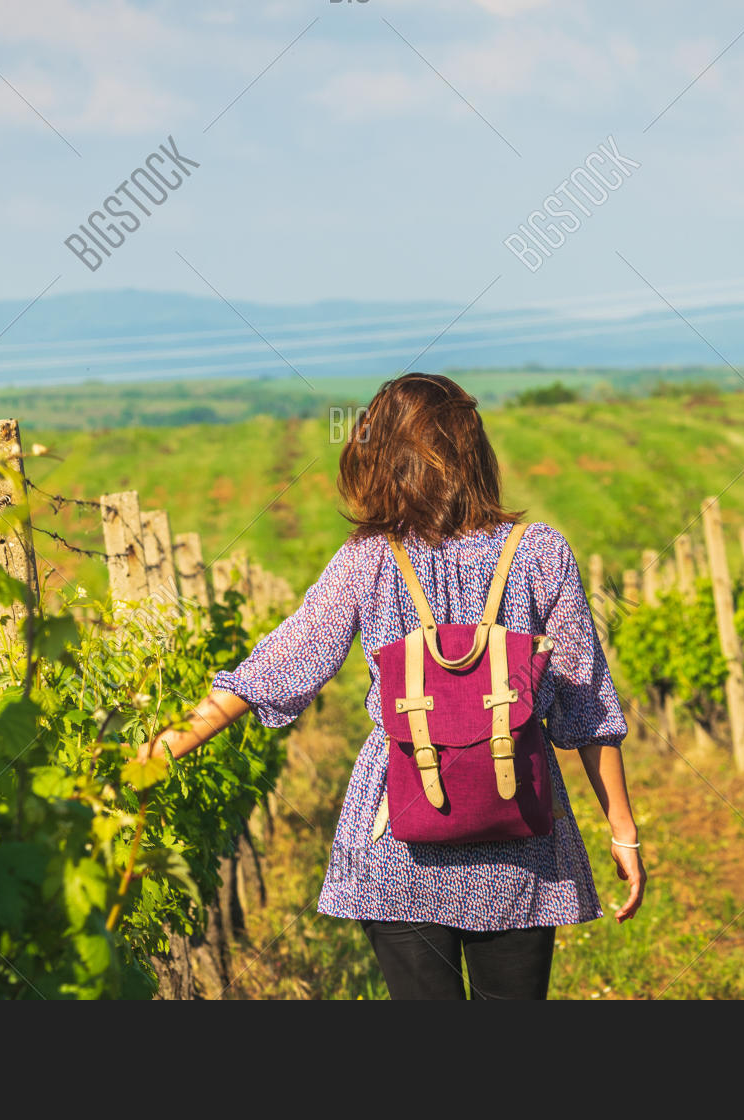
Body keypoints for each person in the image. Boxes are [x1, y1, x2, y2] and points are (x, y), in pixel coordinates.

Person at [142, 372, 645, 999]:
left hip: (396, 845)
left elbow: (282, 664)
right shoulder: (541, 553)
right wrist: (622, 832)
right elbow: (586, 706)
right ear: (476, 453)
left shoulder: (369, 557)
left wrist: (167, 745)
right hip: (521, 842)